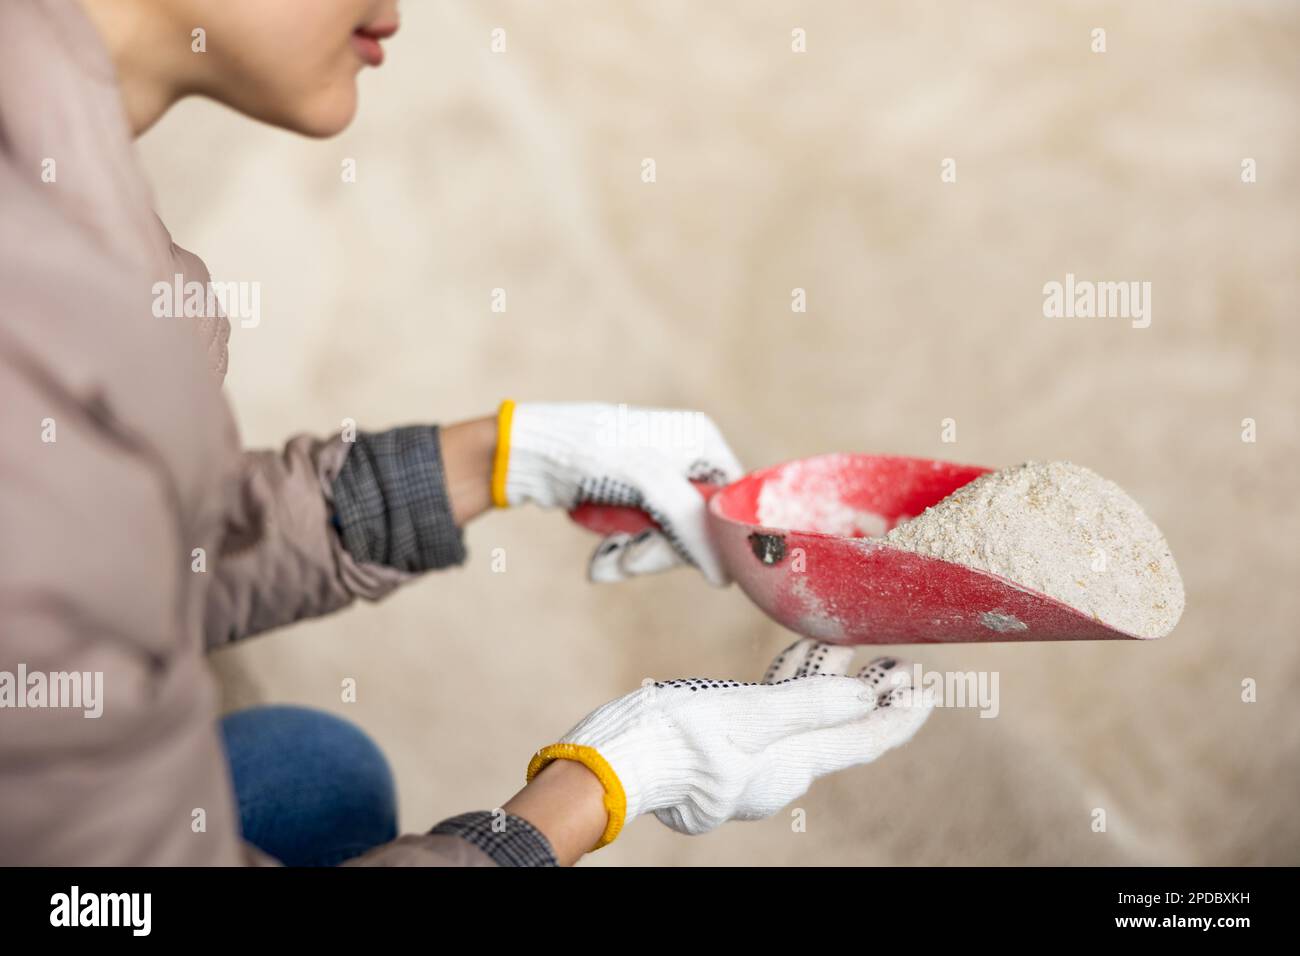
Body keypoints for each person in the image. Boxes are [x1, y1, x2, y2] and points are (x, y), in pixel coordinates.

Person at [0, 0, 933, 867]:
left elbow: (124, 574)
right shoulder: (52, 338)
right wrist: (603, 787)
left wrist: (507, 458)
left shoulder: (58, 170)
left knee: (316, 767)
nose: (397, 10)